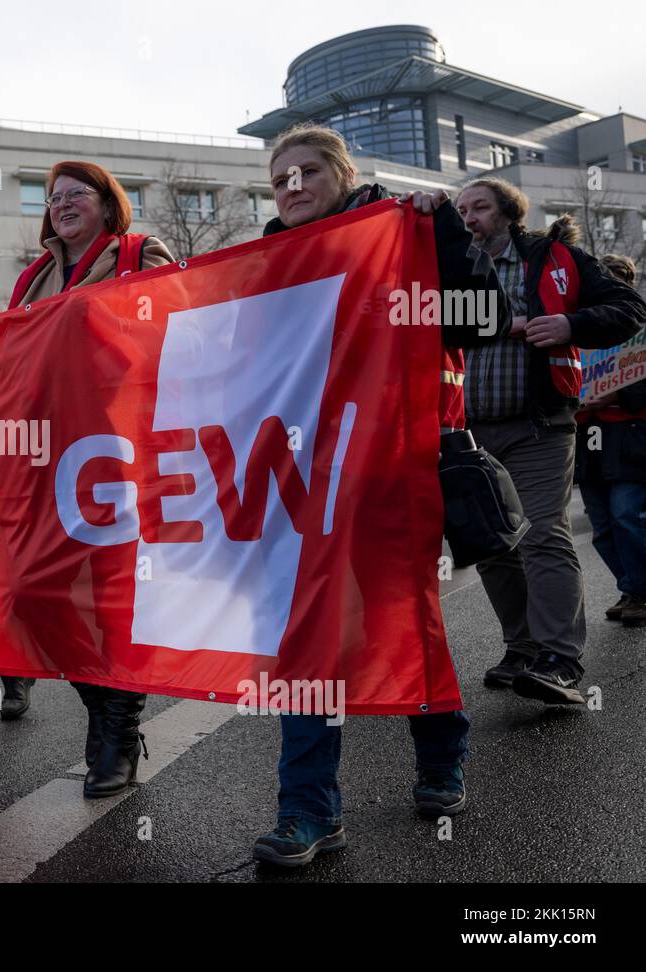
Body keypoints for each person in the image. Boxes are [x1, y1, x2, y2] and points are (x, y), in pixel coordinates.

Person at [250, 124, 512, 868]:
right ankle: (309, 809)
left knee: (407, 621)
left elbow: (484, 324)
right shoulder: (266, 264)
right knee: (309, 640)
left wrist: (450, 240)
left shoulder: (412, 230)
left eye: (307, 172)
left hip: (397, 474)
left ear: (343, 173)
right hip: (304, 485)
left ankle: (441, 756)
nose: (293, 187)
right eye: (280, 179)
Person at [7, 159, 175, 797]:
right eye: (54, 197)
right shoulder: (33, 276)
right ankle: (102, 708)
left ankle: (118, 728)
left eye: (78, 194)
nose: (63, 204)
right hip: (44, 454)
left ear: (109, 204)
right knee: (30, 589)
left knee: (114, 600)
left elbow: (177, 326)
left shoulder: (139, 252)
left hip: (120, 451)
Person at [455, 179, 646, 704]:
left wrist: (569, 323)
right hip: (468, 433)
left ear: (508, 213)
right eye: (461, 209)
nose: (468, 217)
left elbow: (629, 308)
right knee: (492, 544)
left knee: (541, 534)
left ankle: (559, 659)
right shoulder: (452, 265)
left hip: (540, 424)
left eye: (480, 207)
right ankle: (522, 649)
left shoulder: (554, 256)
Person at [573, 254, 646, 626]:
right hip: (589, 438)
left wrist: (620, 397)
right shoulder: (579, 329)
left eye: (616, 281)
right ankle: (631, 587)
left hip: (631, 436)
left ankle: (640, 593)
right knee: (602, 523)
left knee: (626, 514)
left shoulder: (640, 330)